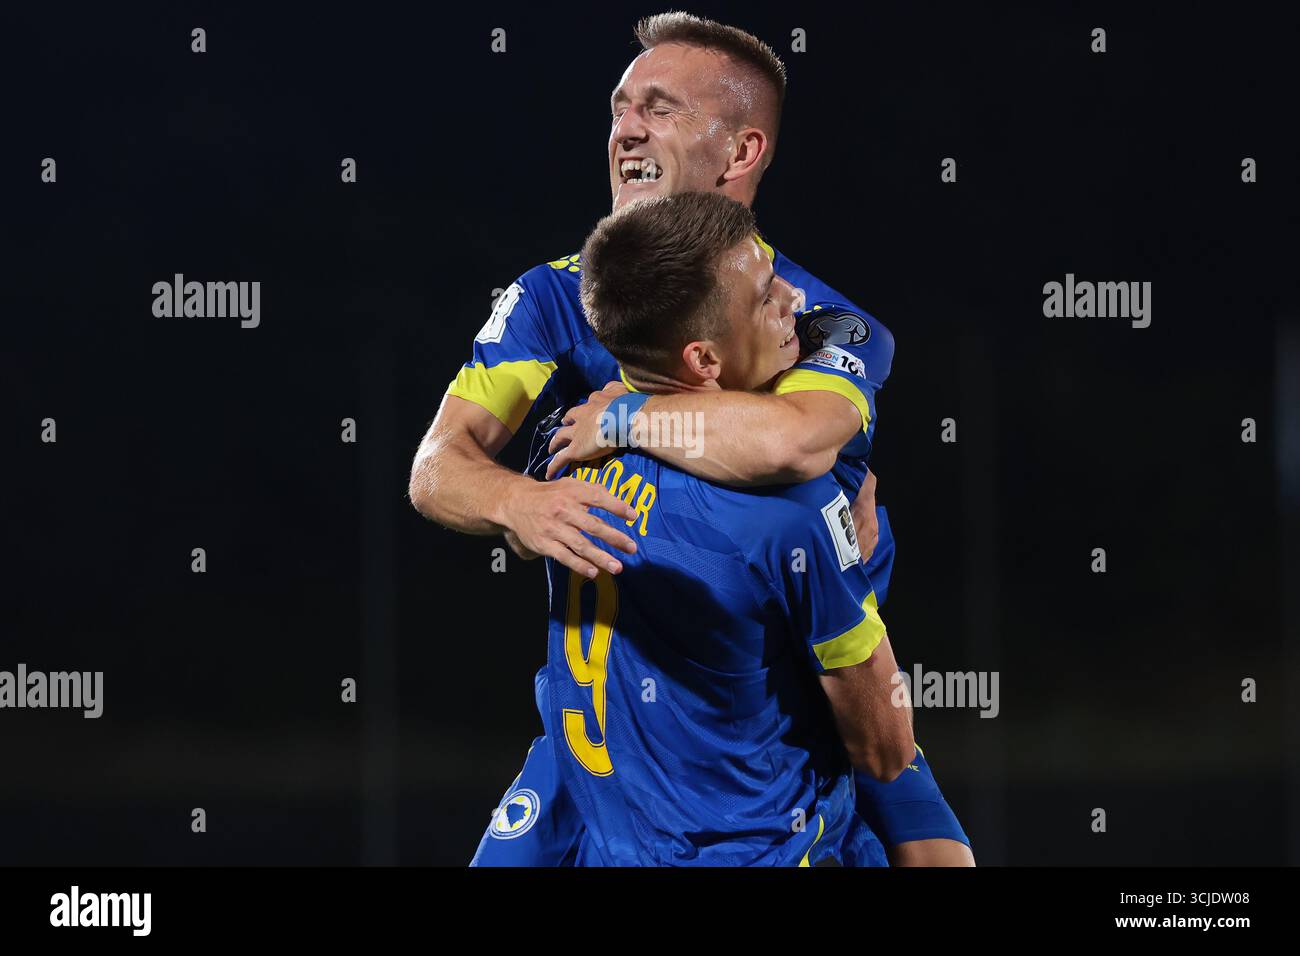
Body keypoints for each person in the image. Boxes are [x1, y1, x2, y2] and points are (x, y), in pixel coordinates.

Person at [409, 12, 970, 866]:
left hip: (777, 737)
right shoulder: (554, 299)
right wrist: (517, 499)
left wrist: (625, 417)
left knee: (921, 824)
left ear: (740, 154)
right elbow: (437, 467)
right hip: (591, 743)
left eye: (660, 109)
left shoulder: (809, 321)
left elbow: (795, 443)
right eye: (620, 107)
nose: (625, 128)